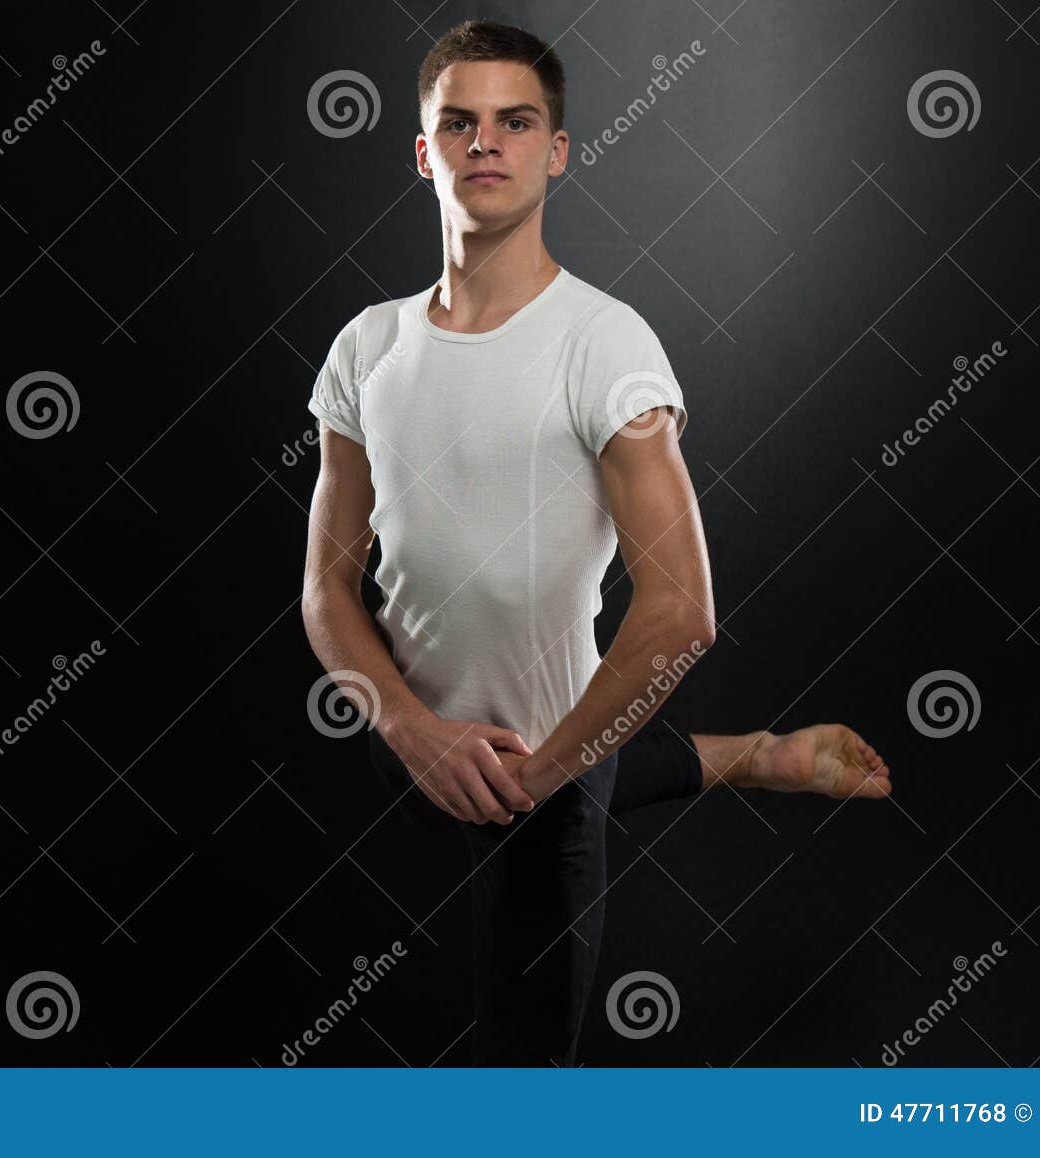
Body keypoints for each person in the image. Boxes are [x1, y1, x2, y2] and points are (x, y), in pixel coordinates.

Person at [301, 20, 892, 1066]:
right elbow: (326, 591)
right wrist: (406, 724)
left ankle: (730, 760)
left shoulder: (602, 345)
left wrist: (543, 780)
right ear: (422, 151)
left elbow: (680, 613)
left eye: (516, 122)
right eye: (459, 123)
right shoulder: (367, 345)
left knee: (521, 1084)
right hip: (396, 735)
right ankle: (750, 755)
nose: (486, 143)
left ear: (557, 151)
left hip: (550, 762)